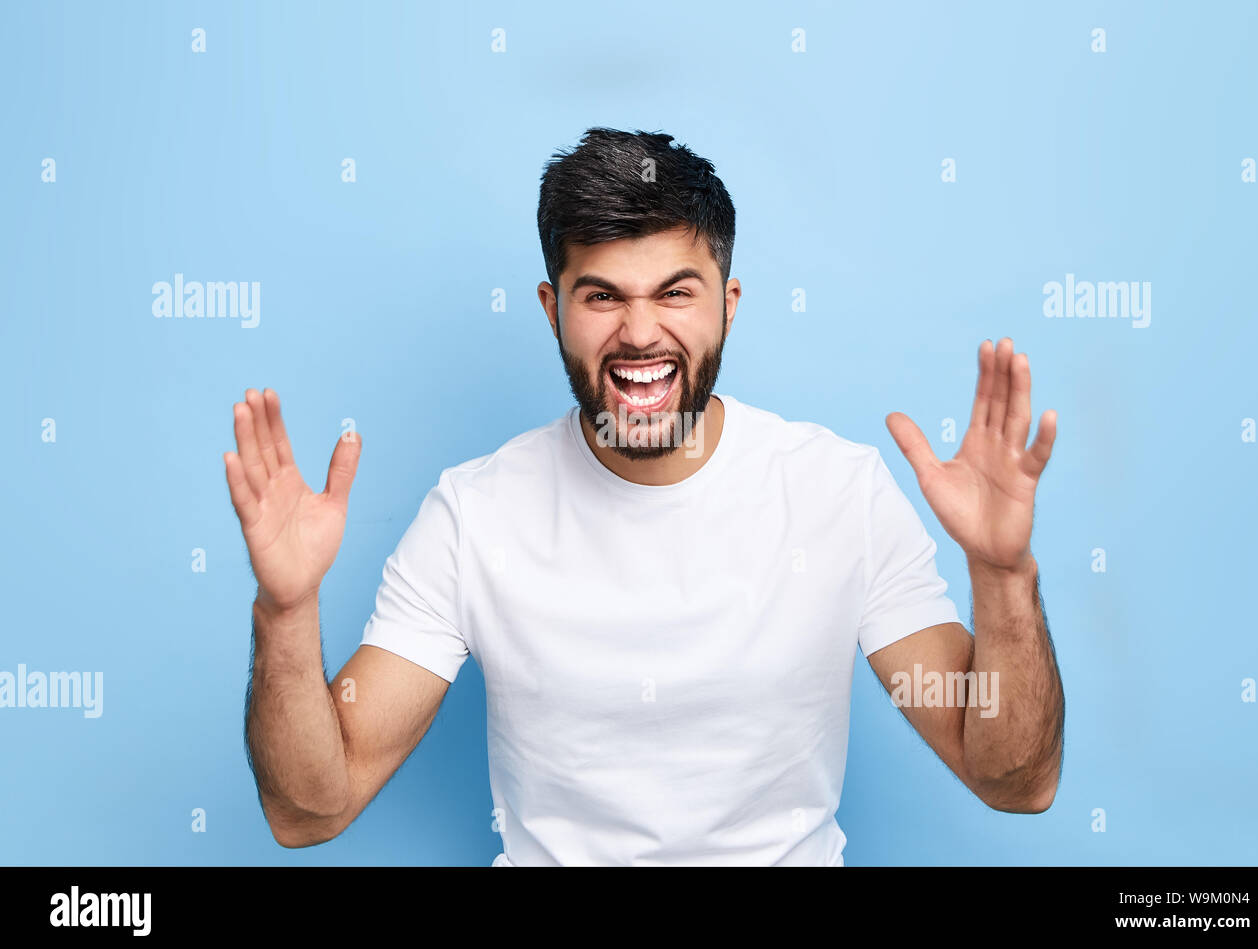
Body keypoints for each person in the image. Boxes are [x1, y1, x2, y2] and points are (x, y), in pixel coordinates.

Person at [224, 127, 1064, 866]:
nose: (638, 333)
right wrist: (287, 609)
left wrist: (1001, 574)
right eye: (602, 296)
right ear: (554, 309)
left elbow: (1012, 780)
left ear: (727, 307)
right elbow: (310, 812)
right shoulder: (474, 516)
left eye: (675, 291)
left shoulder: (836, 492)